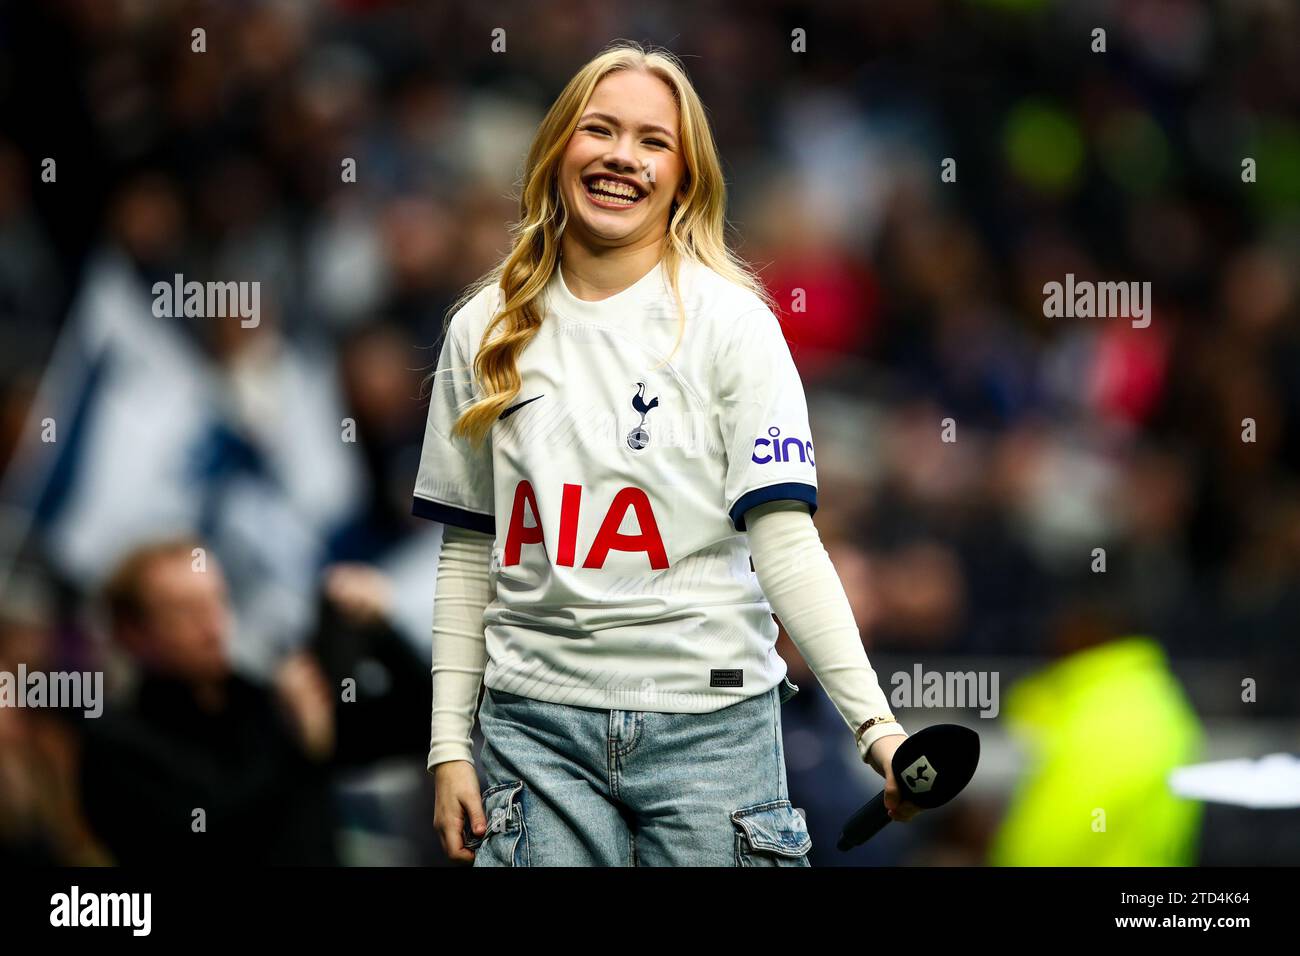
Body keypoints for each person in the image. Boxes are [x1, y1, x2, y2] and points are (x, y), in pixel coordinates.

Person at [416, 41, 919, 867]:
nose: (622, 156)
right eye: (600, 130)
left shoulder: (737, 327)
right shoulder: (481, 328)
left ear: (686, 176)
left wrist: (877, 729)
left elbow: (786, 546)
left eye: (653, 141)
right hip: (531, 726)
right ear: (557, 152)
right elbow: (469, 550)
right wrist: (447, 746)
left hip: (713, 729)